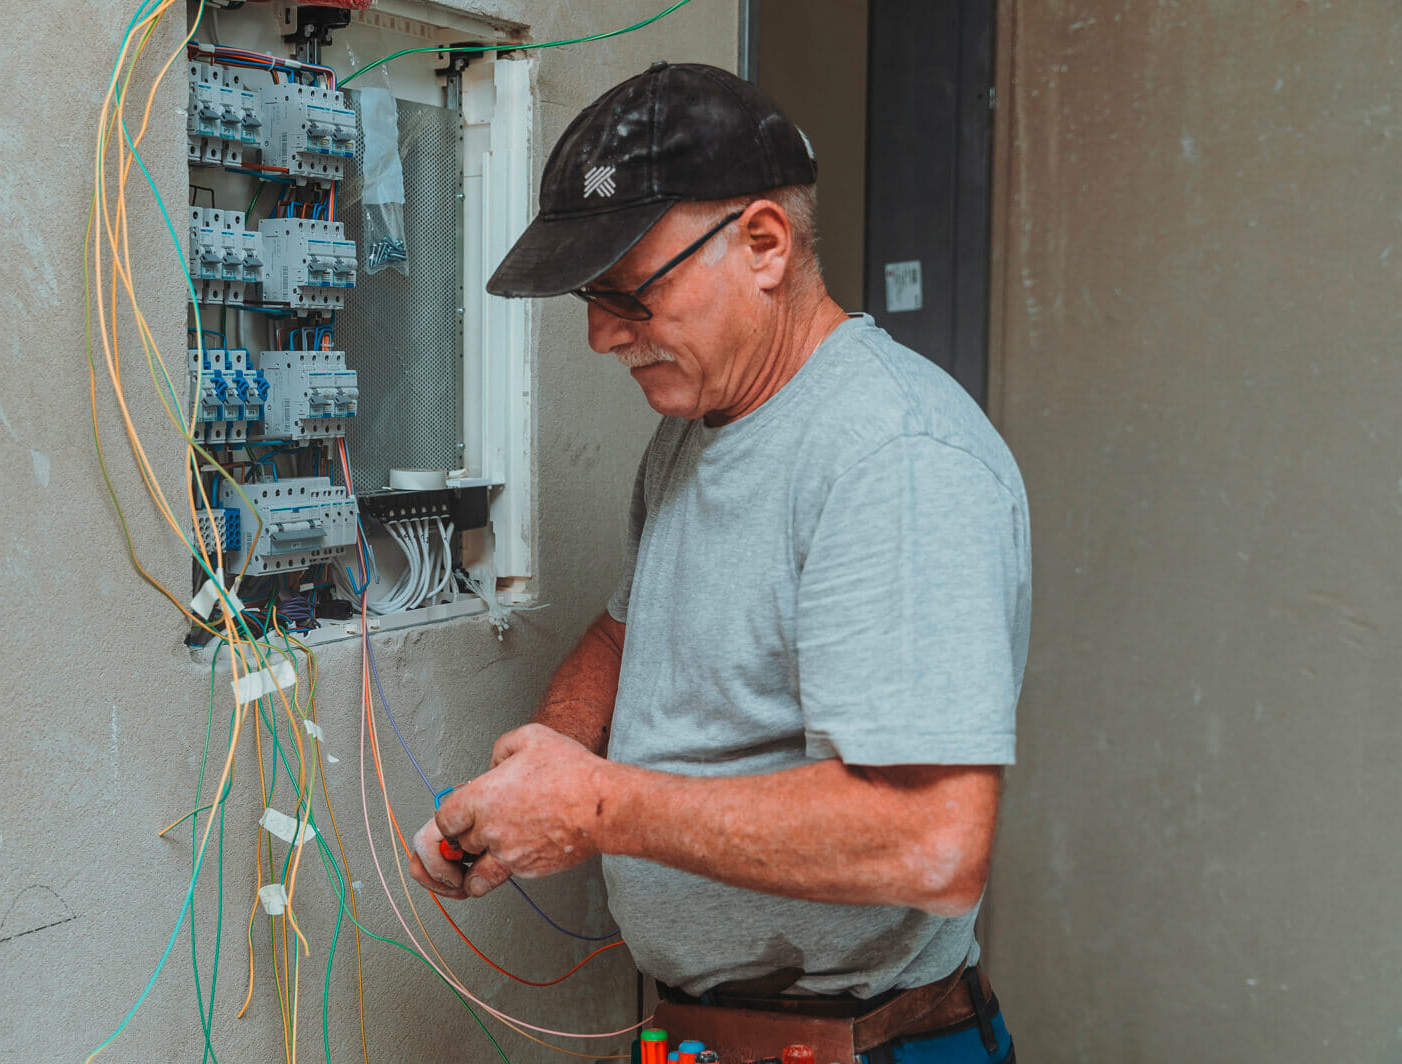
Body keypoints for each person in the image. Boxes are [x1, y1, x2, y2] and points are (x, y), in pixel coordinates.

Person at [408, 63, 1031, 1064]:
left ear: (763, 245)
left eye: (630, 290)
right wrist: (550, 752)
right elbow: (628, 630)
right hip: (699, 1037)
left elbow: (933, 844)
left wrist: (593, 805)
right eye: (589, 295)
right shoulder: (699, 427)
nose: (603, 333)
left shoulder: (894, 458)